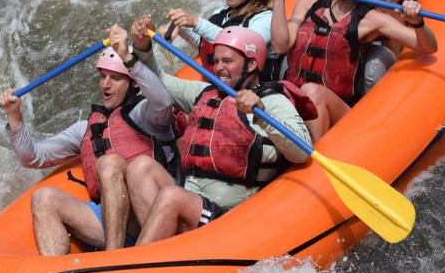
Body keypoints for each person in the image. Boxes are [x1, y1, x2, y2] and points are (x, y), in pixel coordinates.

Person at [124, 19, 315, 245]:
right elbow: (159, 81)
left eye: (227, 61)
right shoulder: (205, 92)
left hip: (230, 217)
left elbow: (303, 150)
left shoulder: (272, 100)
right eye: (216, 61)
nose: (218, 68)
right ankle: (163, 255)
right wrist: (142, 46)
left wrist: (262, 115)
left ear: (251, 65)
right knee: (139, 167)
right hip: (193, 203)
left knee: (171, 197)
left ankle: (143, 263)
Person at [0, 24, 179, 256]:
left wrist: (127, 57)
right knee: (43, 198)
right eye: (102, 76)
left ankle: (113, 261)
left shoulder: (146, 115)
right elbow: (33, 157)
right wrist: (14, 117)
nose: (105, 84)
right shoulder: (87, 128)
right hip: (115, 219)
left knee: (109, 162)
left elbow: (164, 102)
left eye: (115, 78)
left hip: (153, 212)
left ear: (133, 82)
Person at [267, 0, 438, 141]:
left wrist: (417, 22)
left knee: (312, 92)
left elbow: (428, 47)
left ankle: (312, 154)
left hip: (339, 110)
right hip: (292, 97)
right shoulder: (310, 0)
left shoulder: (371, 19)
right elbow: (280, 45)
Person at [163, 0, 277, 75]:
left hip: (250, 91)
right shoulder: (222, 12)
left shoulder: (266, 19)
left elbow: (240, 46)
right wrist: (180, 27)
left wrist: (196, 22)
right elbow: (206, 45)